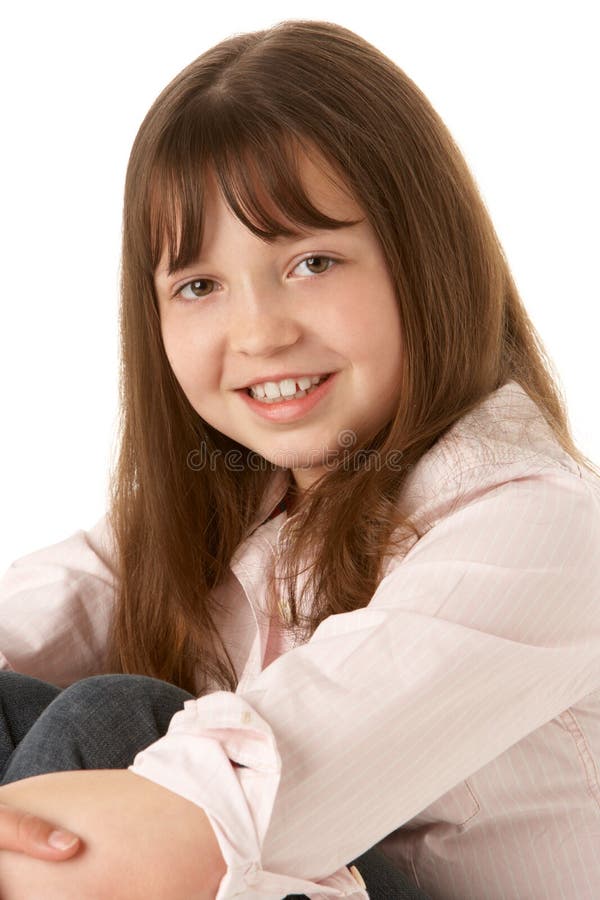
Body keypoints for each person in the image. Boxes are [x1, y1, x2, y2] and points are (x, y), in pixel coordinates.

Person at [0, 17, 598, 900]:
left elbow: (200, 827)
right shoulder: (228, 509)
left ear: (425, 262)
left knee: (109, 725)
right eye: (199, 285)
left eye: (313, 261)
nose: (260, 332)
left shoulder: (544, 530)